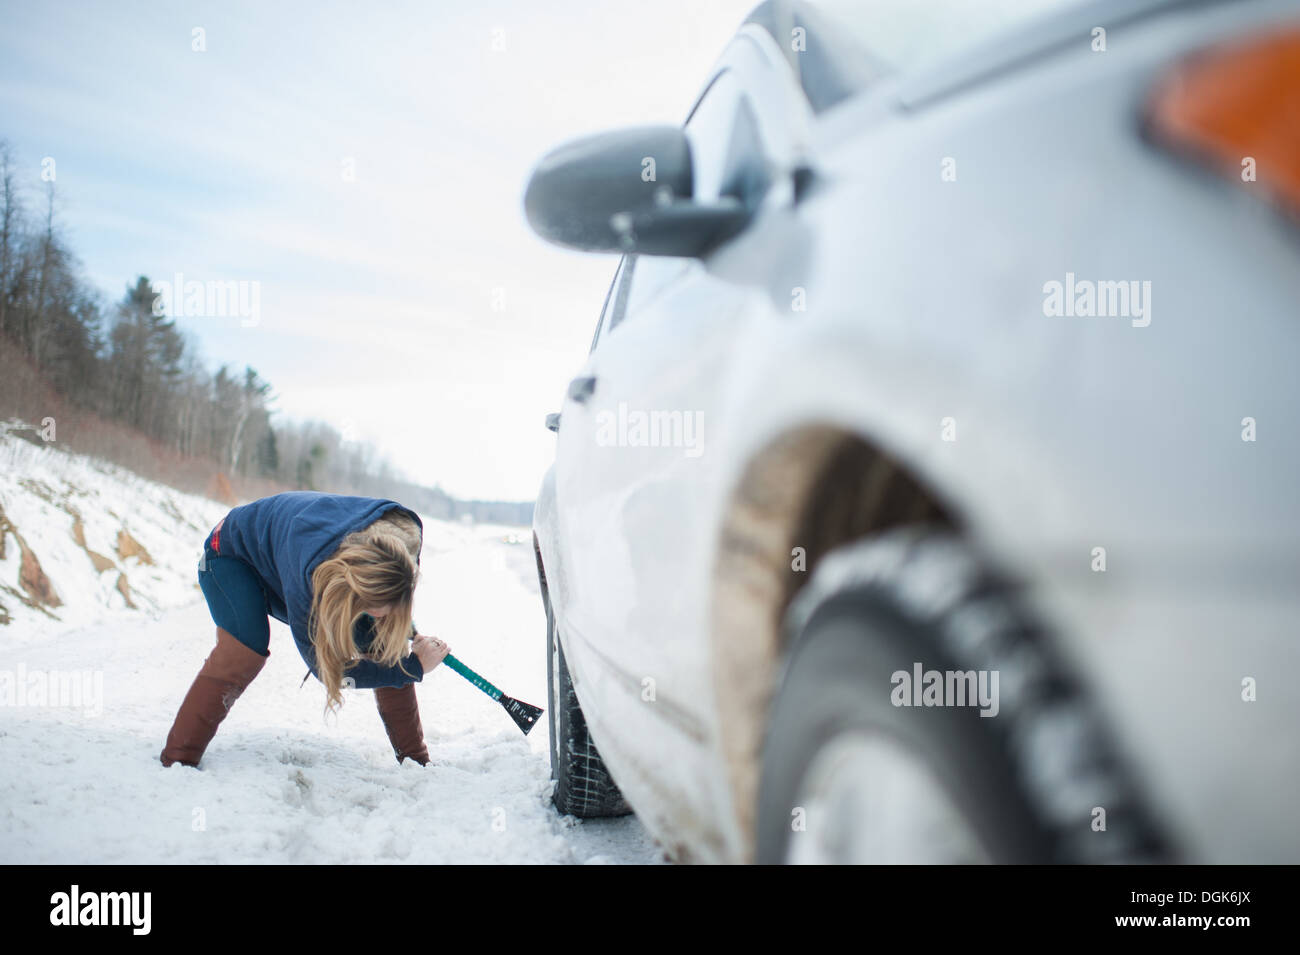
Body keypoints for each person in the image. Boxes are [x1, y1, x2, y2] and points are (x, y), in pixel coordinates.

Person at [160, 491, 451, 769]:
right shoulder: (309, 575)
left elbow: (390, 614)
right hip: (229, 556)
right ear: (352, 588)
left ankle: (416, 762)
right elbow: (331, 672)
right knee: (244, 650)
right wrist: (414, 667)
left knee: (382, 642)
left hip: (286, 553)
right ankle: (178, 760)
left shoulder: (402, 542)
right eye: (378, 606)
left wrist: (405, 631)